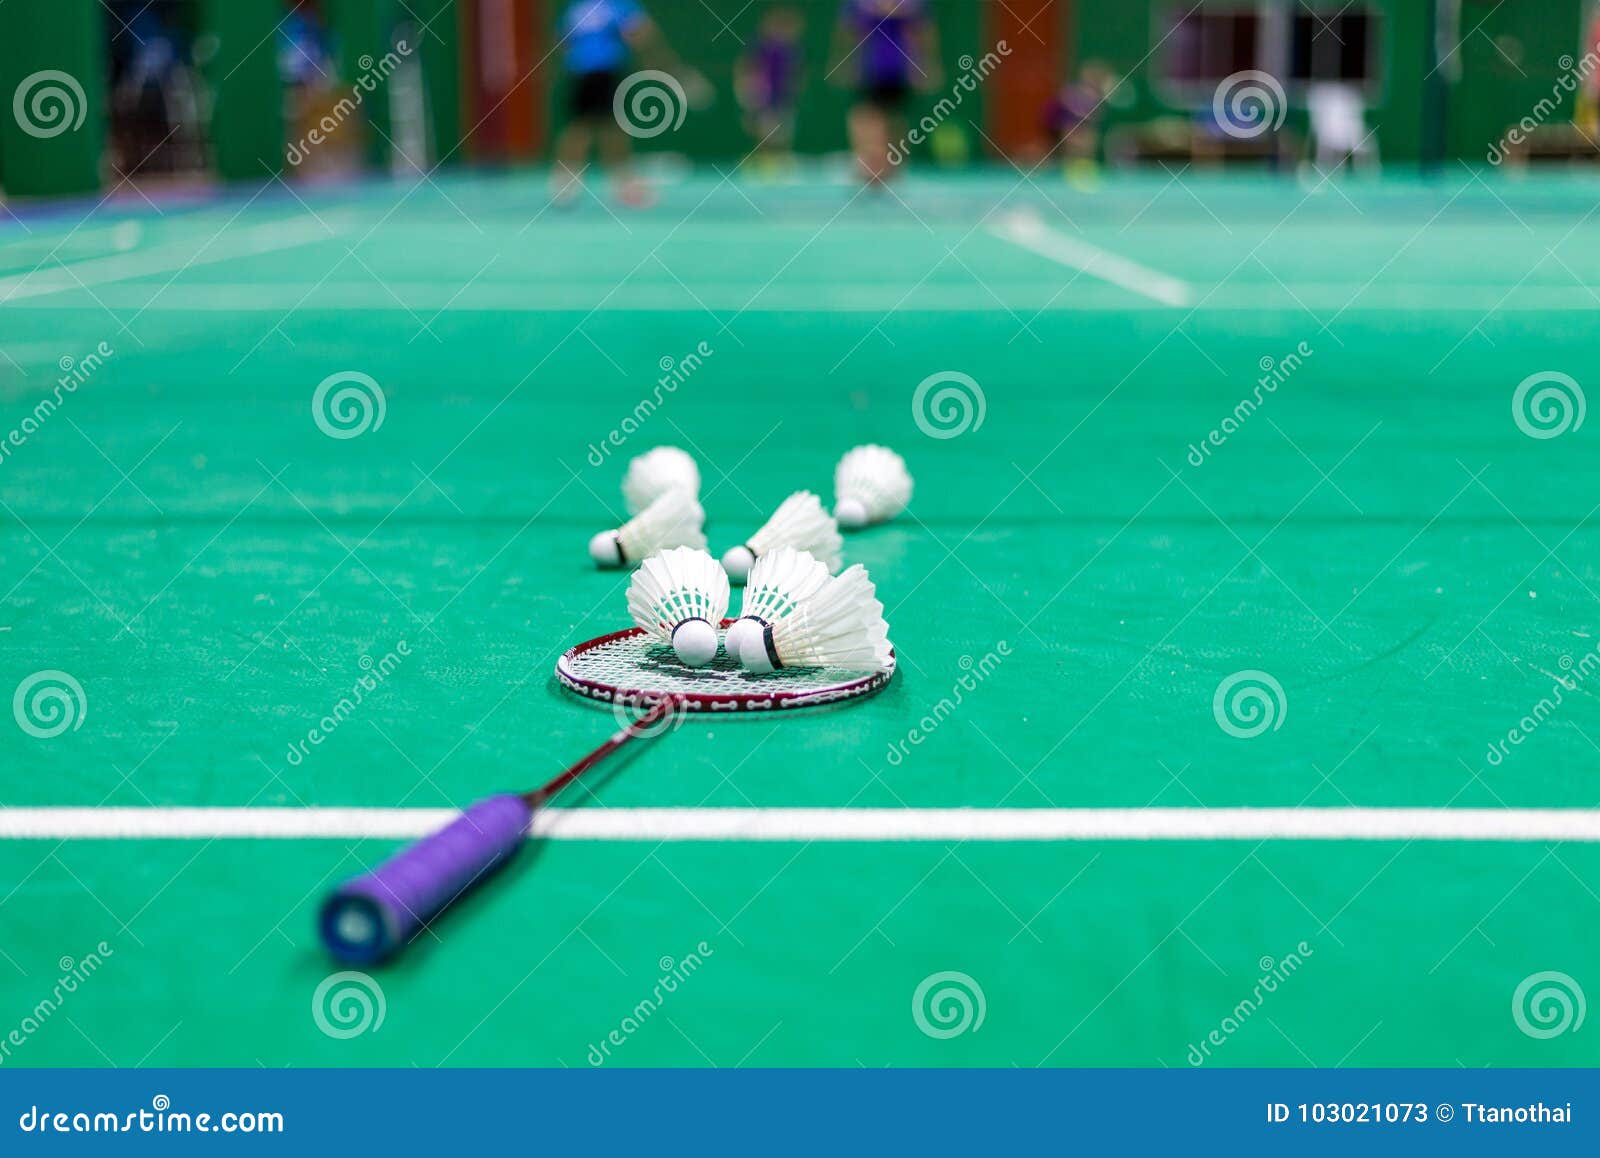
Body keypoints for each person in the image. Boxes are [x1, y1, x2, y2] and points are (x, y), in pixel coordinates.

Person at [552, 0, 706, 208]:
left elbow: (562, 42)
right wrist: (662, 62)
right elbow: (641, 35)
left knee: (580, 127)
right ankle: (624, 187)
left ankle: (565, 187)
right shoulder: (618, 6)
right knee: (609, 128)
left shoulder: (577, 7)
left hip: (579, 73)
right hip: (605, 71)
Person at [830, 0, 941, 186]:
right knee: (867, 116)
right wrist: (844, 61)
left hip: (898, 68)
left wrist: (926, 64)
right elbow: (848, 31)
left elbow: (922, 33)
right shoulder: (860, 5)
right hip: (870, 68)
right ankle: (871, 166)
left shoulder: (911, 5)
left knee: (893, 118)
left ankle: (890, 168)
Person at [735, 7, 805, 173]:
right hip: (765, 97)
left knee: (783, 132)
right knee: (764, 132)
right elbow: (746, 67)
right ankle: (761, 162)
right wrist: (748, 90)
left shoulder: (793, 49)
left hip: (783, 97)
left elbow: (796, 73)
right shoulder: (761, 46)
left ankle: (780, 161)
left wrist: (794, 88)